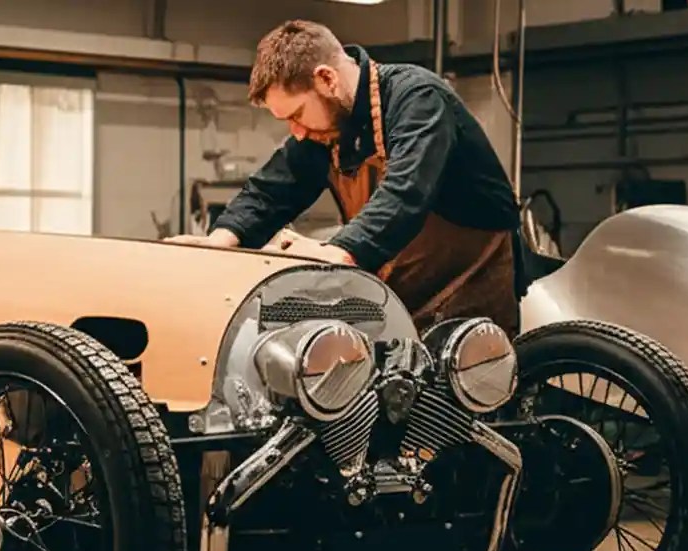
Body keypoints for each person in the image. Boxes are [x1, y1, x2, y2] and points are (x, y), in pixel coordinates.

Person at [164, 19, 526, 338]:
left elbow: (406, 193)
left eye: (298, 114)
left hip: (470, 291)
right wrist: (219, 243)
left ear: (326, 79)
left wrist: (337, 252)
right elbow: (271, 190)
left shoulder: (417, 99)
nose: (298, 132)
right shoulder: (326, 129)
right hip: (403, 296)